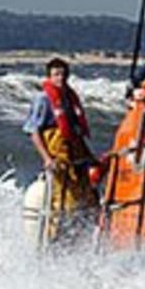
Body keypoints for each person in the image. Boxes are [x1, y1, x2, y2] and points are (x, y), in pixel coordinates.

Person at [23, 57, 100, 244]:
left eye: (64, 74)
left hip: (76, 158)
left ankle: (84, 243)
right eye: (56, 74)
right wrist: (47, 158)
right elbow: (34, 131)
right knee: (64, 205)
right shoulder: (43, 100)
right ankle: (55, 244)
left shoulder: (69, 99)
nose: (61, 78)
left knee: (90, 202)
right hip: (59, 161)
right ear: (49, 77)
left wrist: (90, 158)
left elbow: (76, 133)